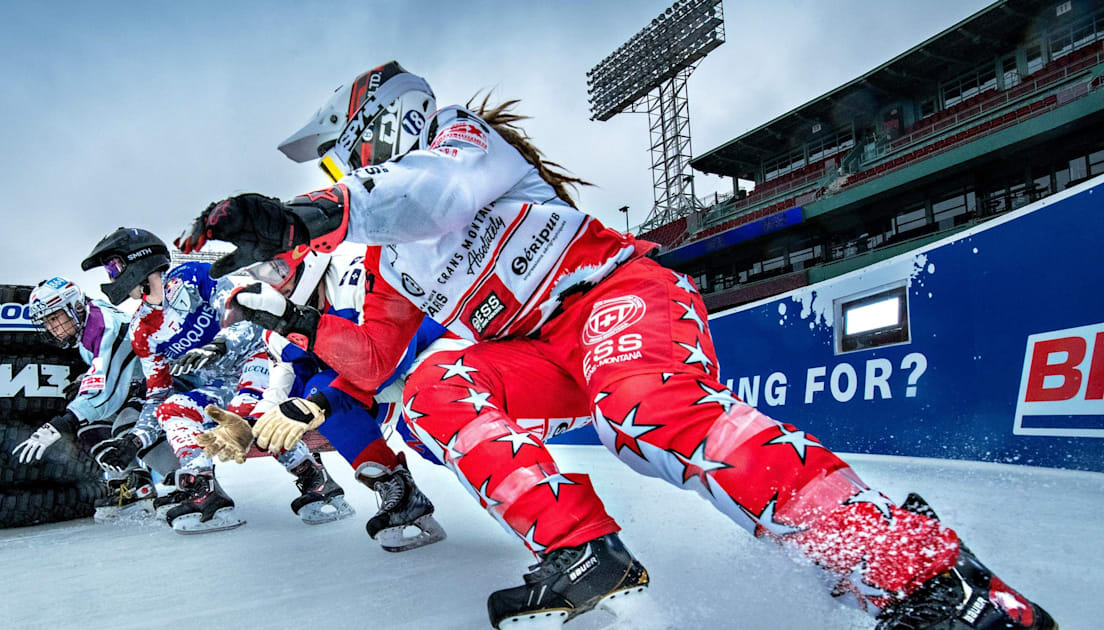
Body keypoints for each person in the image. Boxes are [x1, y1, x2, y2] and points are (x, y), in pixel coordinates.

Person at [178, 62, 1055, 629]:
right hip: (539, 352)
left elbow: (432, 194)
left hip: (613, 297)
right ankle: (580, 549)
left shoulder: (460, 144)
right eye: (334, 171)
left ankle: (918, 572)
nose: (343, 176)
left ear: (386, 124)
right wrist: (294, 323)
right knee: (429, 394)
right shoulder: (386, 257)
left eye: (348, 157)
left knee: (644, 415)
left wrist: (309, 212)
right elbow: (370, 363)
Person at [81, 227, 337, 534]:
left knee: (242, 416)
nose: (112, 278)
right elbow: (158, 394)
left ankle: (313, 477)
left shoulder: (195, 277)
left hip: (262, 364)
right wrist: (134, 440)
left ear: (140, 260)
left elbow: (254, 318)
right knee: (172, 408)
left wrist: (219, 344)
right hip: (220, 388)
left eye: (113, 268)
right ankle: (203, 489)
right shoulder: (142, 329)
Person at [201, 242, 453, 550]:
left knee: (450, 446)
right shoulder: (275, 328)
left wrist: (320, 402)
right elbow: (283, 380)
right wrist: (253, 426)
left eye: (273, 268)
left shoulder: (355, 277)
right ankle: (395, 486)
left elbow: (390, 356)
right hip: (366, 387)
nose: (269, 282)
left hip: (428, 360)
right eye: (258, 275)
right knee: (313, 386)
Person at [16, 277, 178, 520]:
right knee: (91, 428)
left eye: (54, 318)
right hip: (139, 384)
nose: (51, 328)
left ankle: (188, 480)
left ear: (76, 307)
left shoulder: (104, 326)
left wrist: (60, 424)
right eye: (46, 322)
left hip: (169, 379)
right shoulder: (88, 326)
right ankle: (133, 481)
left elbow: (103, 390)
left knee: (128, 424)